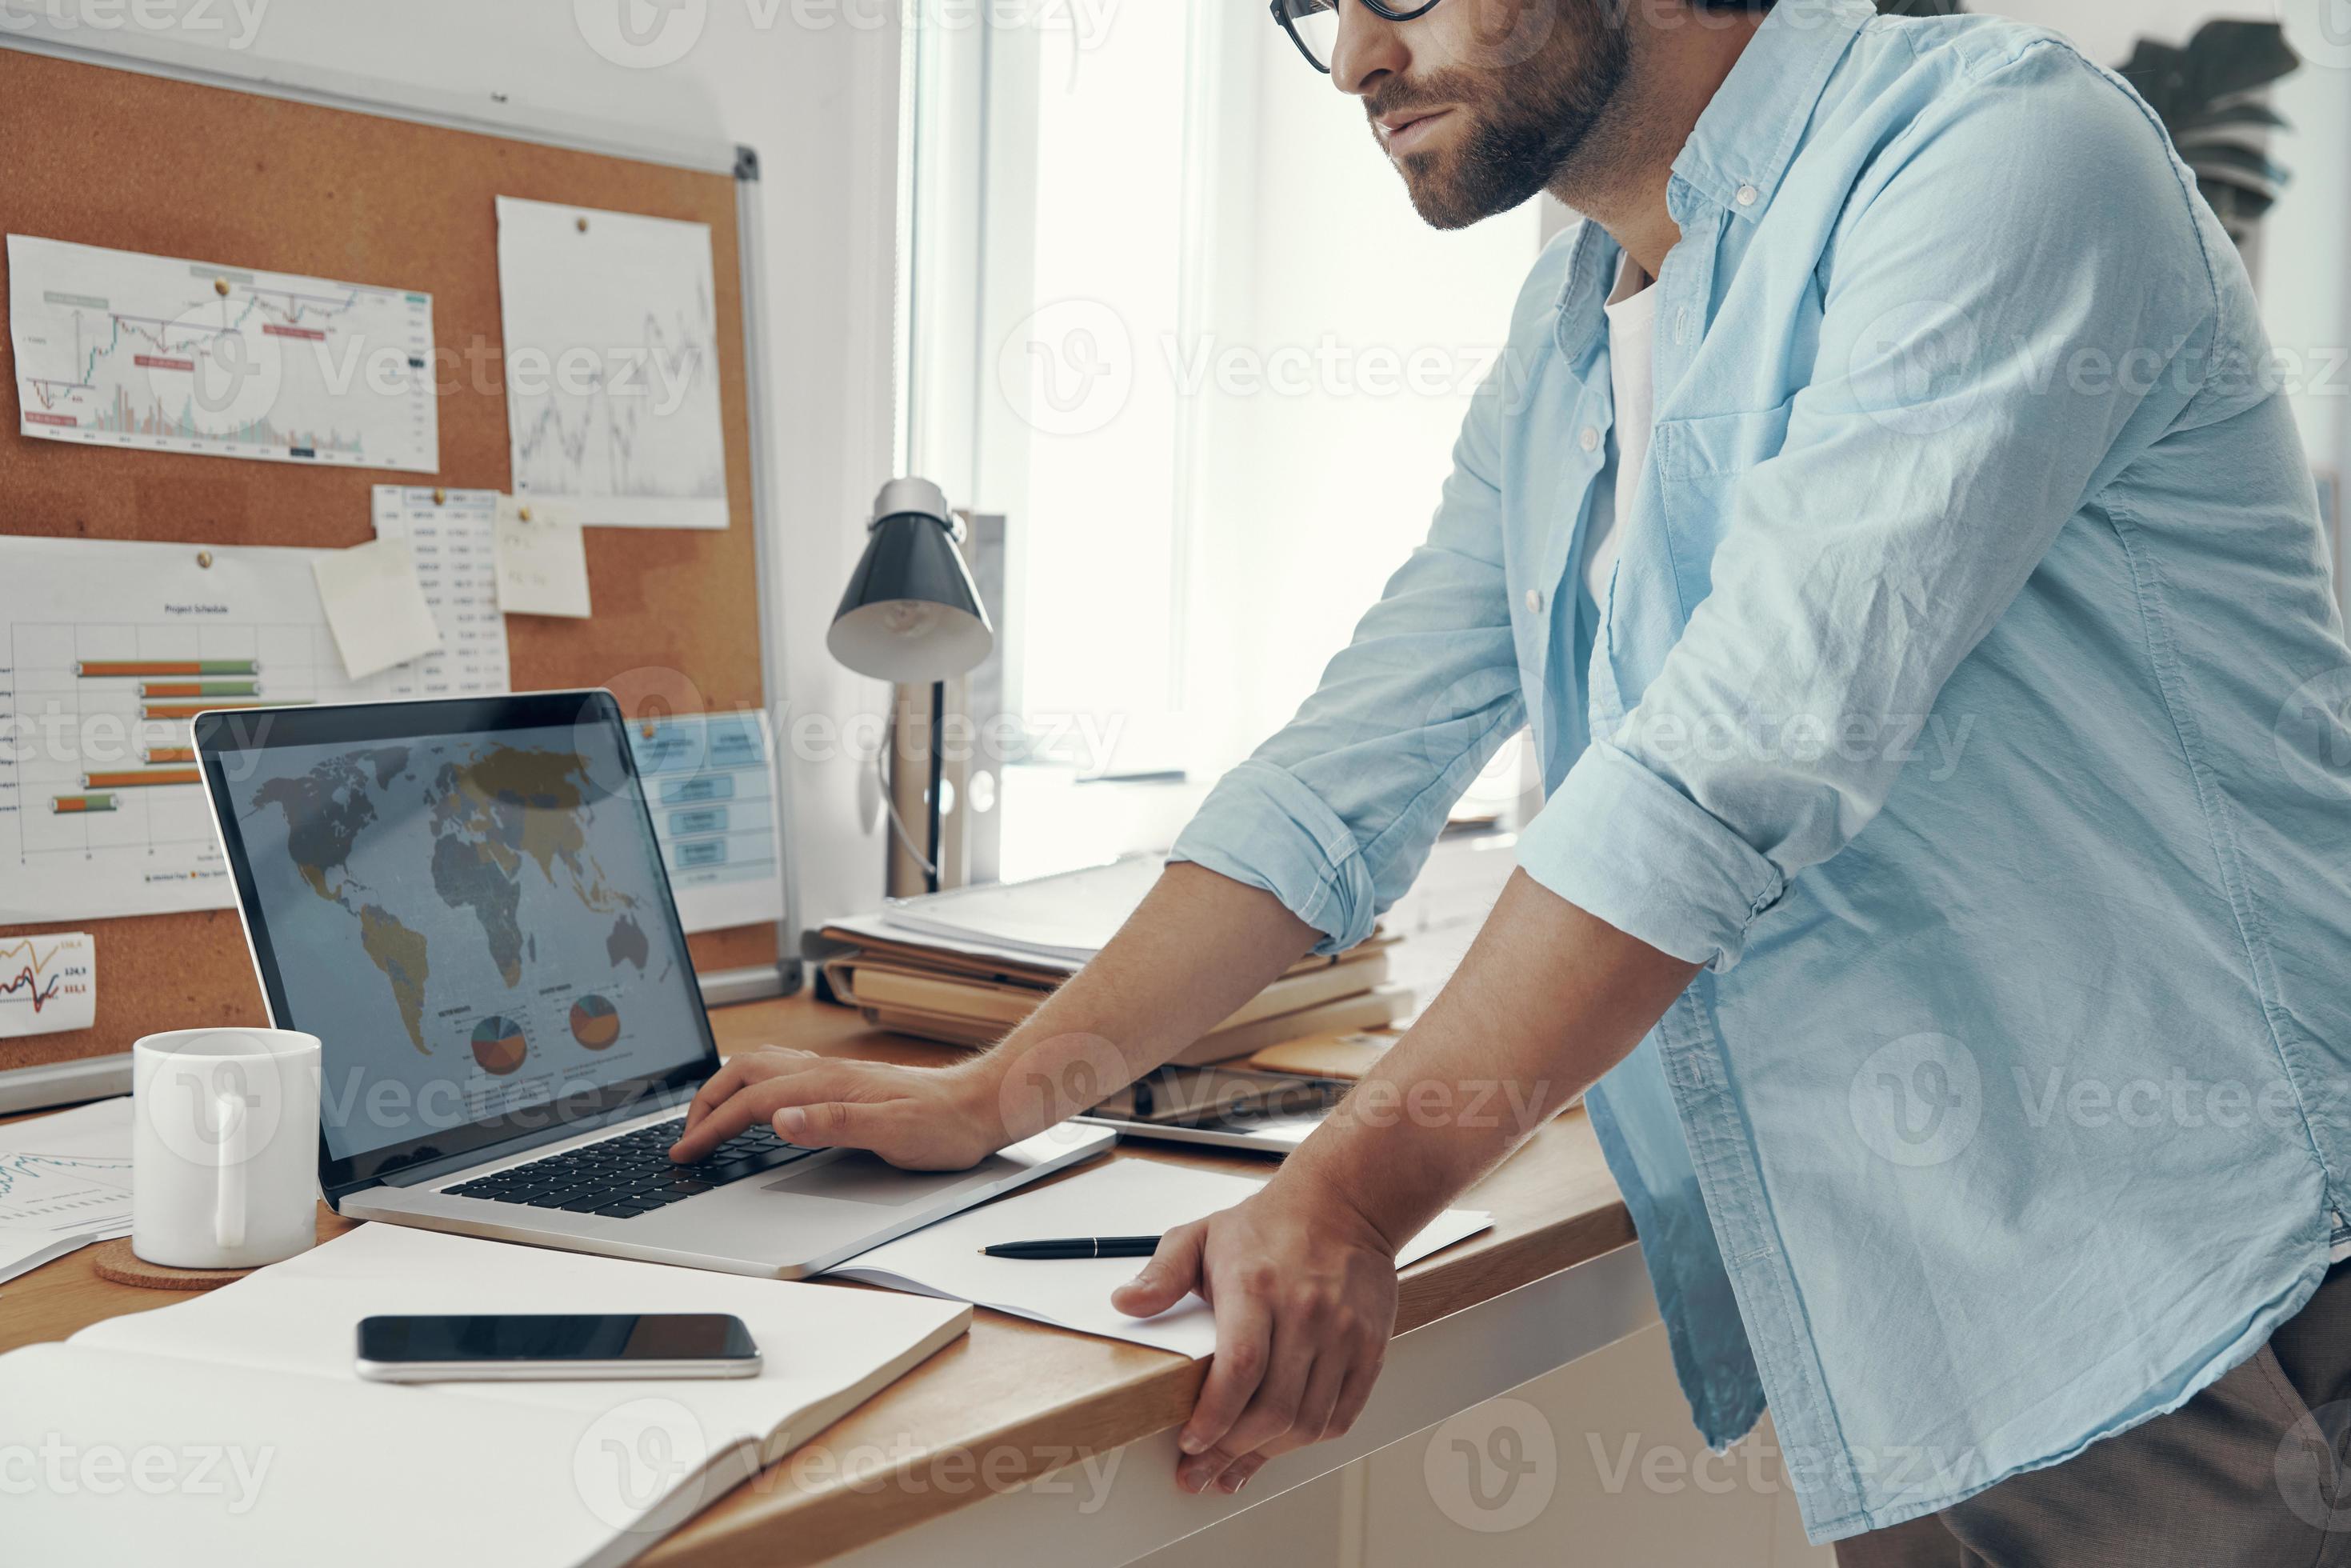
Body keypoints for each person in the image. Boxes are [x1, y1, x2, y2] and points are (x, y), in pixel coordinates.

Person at [673, 0, 2351, 1556]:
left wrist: (1348, 1189)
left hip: (2218, 1292)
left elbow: (1723, 769)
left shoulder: (1999, 159)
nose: (1349, 61)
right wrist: (1007, 1088)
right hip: (1925, 1324)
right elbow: (1355, 762)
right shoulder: (1576, 325)